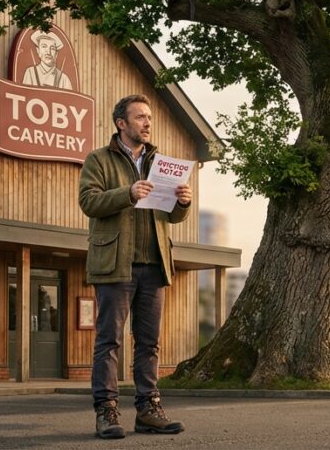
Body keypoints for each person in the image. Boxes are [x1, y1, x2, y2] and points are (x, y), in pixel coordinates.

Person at [80, 94, 192, 439]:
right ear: (122, 124)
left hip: (154, 264)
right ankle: (107, 411)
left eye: (149, 118)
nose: (147, 123)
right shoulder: (99, 159)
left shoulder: (160, 162)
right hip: (116, 264)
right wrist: (128, 193)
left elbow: (170, 215)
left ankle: (148, 410)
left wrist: (183, 203)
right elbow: (89, 202)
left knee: (149, 343)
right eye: (140, 117)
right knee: (109, 341)